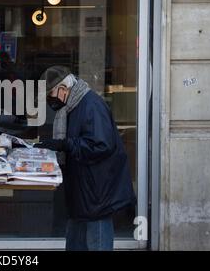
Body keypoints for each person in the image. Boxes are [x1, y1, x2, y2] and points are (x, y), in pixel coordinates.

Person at [36, 66, 136, 251]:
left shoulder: (91, 105)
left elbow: (101, 145)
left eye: (51, 93)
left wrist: (67, 144)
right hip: (83, 194)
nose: (51, 99)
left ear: (63, 89)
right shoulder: (72, 106)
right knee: (76, 244)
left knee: (97, 244)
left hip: (96, 194)